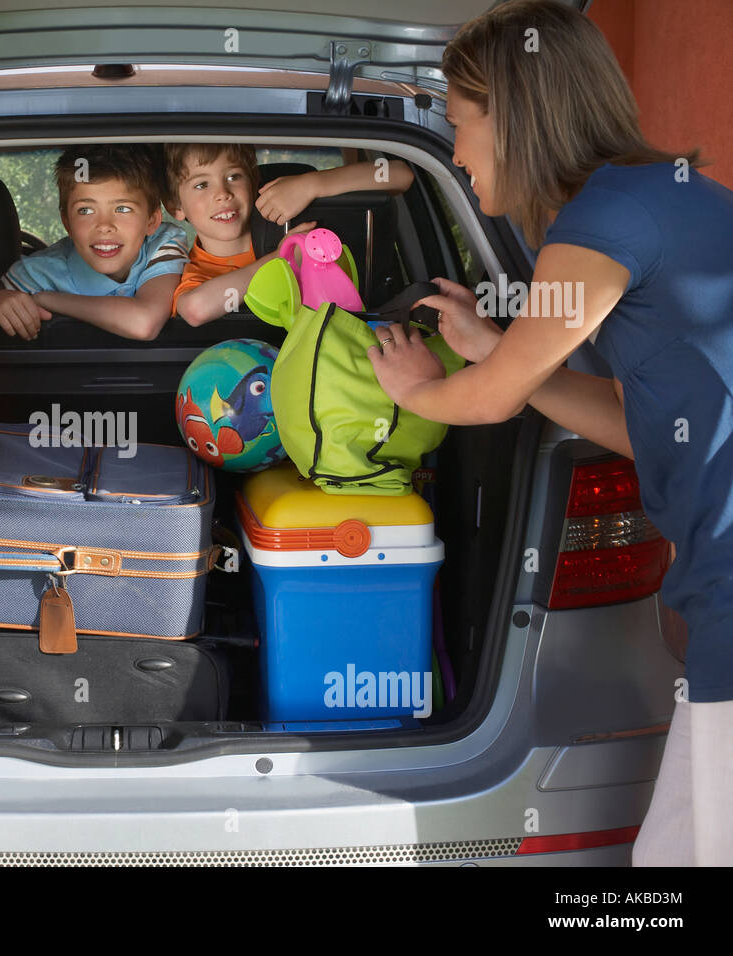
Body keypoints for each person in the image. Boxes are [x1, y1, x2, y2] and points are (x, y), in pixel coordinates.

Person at [367, 0, 733, 866]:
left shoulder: (602, 219)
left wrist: (423, 390)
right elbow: (647, 431)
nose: (454, 151)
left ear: (519, 117)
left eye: (458, 125)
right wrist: (498, 352)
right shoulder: (662, 200)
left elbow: (490, 401)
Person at [164, 143, 414, 325]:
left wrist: (313, 185)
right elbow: (196, 309)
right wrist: (282, 257)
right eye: (201, 184)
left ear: (253, 185)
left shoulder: (294, 224)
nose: (222, 193)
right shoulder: (196, 274)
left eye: (233, 176)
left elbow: (401, 174)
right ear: (175, 206)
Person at [0, 144, 188, 341]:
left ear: (151, 221)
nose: (104, 225)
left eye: (123, 209)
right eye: (85, 210)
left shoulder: (162, 243)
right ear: (67, 222)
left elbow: (144, 323)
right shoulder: (31, 276)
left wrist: (46, 299)